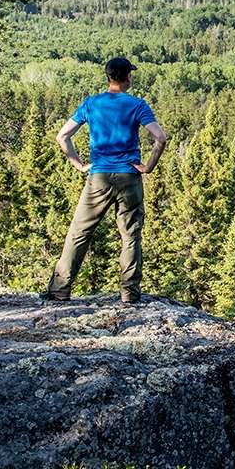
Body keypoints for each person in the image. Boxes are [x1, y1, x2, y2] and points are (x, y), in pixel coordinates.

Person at [45, 56, 167, 304]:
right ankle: (129, 294)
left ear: (109, 77)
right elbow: (160, 138)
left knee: (79, 232)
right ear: (127, 77)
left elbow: (62, 136)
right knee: (130, 235)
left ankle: (60, 289)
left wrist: (78, 165)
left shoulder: (91, 104)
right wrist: (148, 167)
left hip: (98, 176)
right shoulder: (137, 105)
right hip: (129, 177)